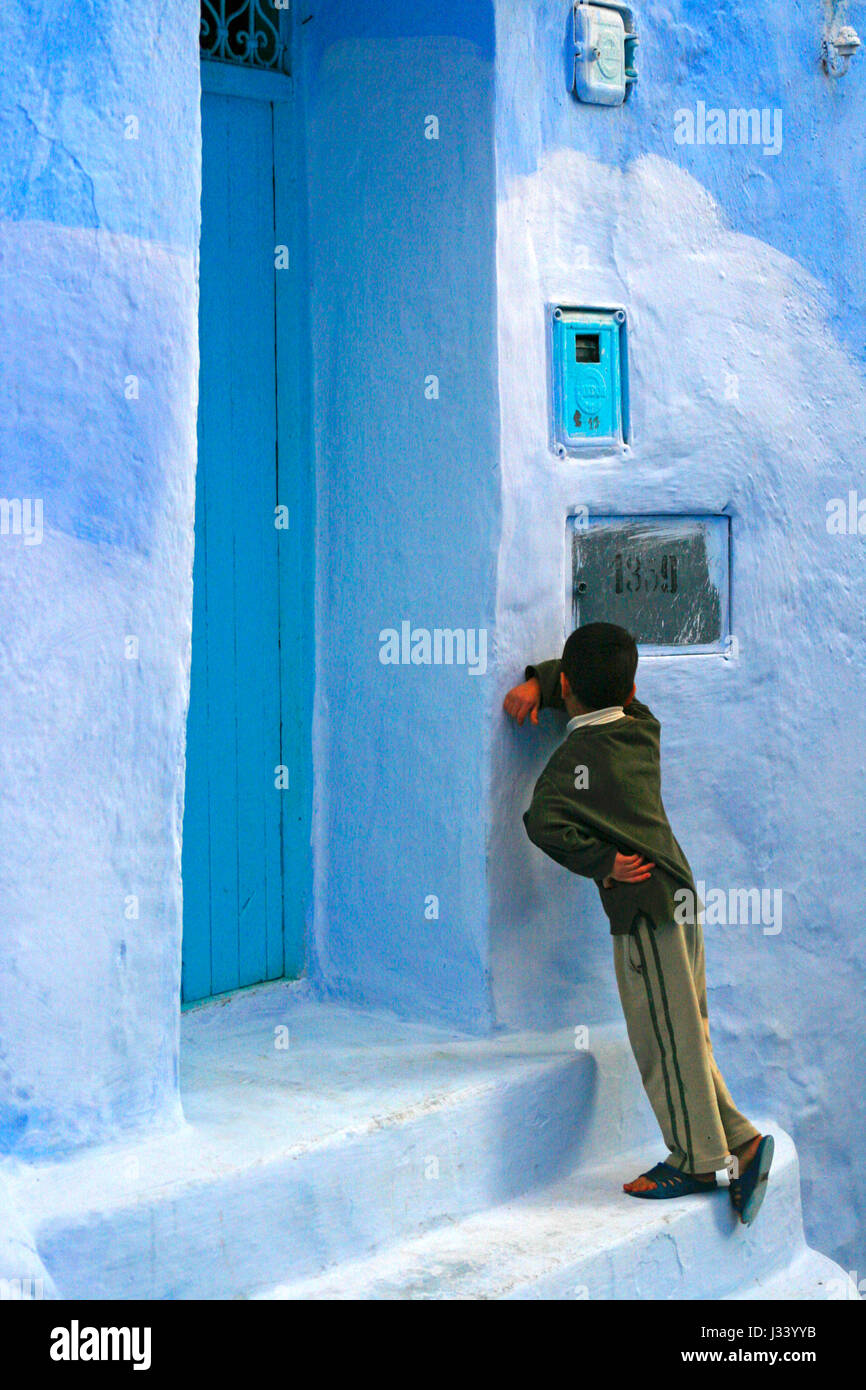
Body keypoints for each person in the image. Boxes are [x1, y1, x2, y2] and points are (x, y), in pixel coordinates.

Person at [504, 621, 773, 1224]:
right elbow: (606, 691)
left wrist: (603, 865)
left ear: (566, 687)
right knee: (688, 1029)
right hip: (681, 896)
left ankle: (697, 1160)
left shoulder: (573, 759)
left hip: (644, 909)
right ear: (630, 691)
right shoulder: (641, 727)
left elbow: (541, 820)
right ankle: (742, 1141)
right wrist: (550, 682)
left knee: (661, 1036)